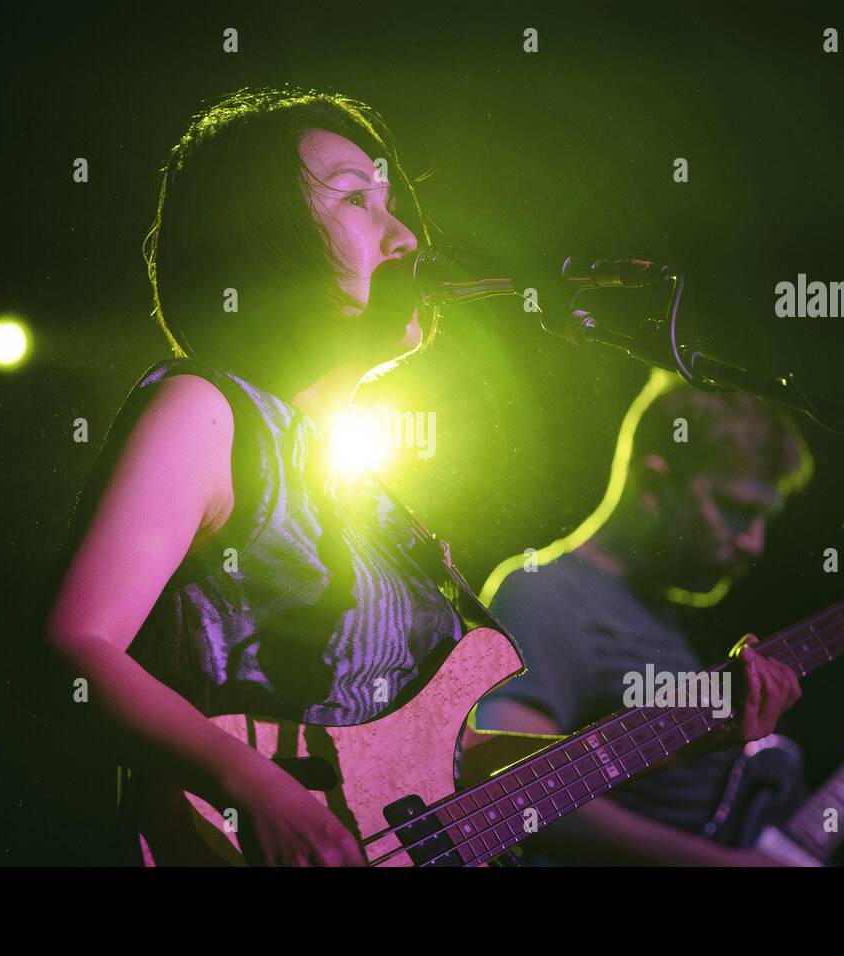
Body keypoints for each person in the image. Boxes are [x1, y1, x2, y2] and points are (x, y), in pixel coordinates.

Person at [40, 86, 800, 867]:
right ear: (255, 238)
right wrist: (256, 787)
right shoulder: (207, 413)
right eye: (356, 199)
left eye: (393, 200)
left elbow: (449, 771)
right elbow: (69, 651)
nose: (405, 236)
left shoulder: (367, 499)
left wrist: (679, 733)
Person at [474, 369, 844, 865]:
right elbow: (509, 790)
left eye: (765, 519)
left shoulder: (674, 617)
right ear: (653, 482)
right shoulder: (545, 593)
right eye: (735, 508)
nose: (753, 542)